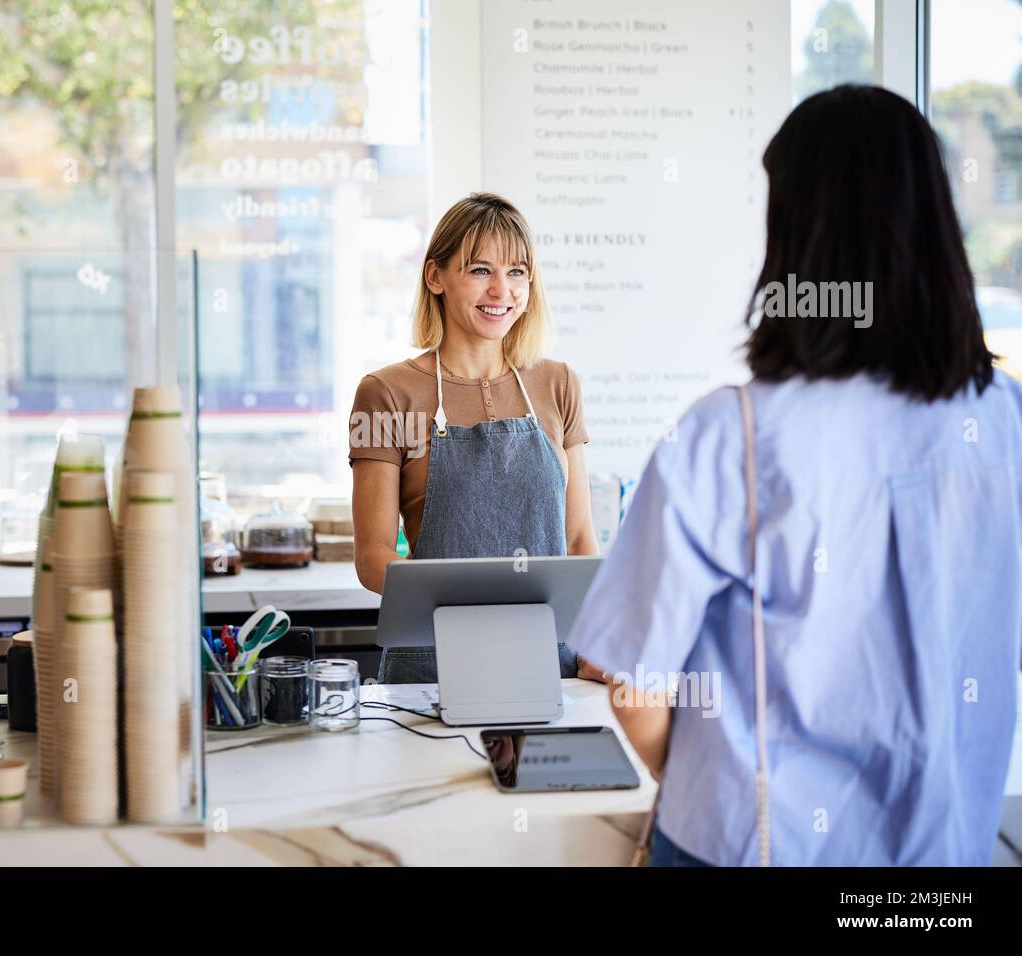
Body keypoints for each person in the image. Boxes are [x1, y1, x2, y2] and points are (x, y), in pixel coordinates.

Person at [568, 84, 1022, 866]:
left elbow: (627, 677)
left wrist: (715, 788)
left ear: (798, 238)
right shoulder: (1006, 421)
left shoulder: (729, 433)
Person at [349, 192, 599, 683]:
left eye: (518, 272)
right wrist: (476, 613)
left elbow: (577, 538)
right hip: (434, 665)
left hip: (549, 666)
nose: (501, 291)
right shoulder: (385, 393)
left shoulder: (559, 383)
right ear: (435, 277)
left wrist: (597, 639)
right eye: (480, 270)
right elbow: (372, 556)